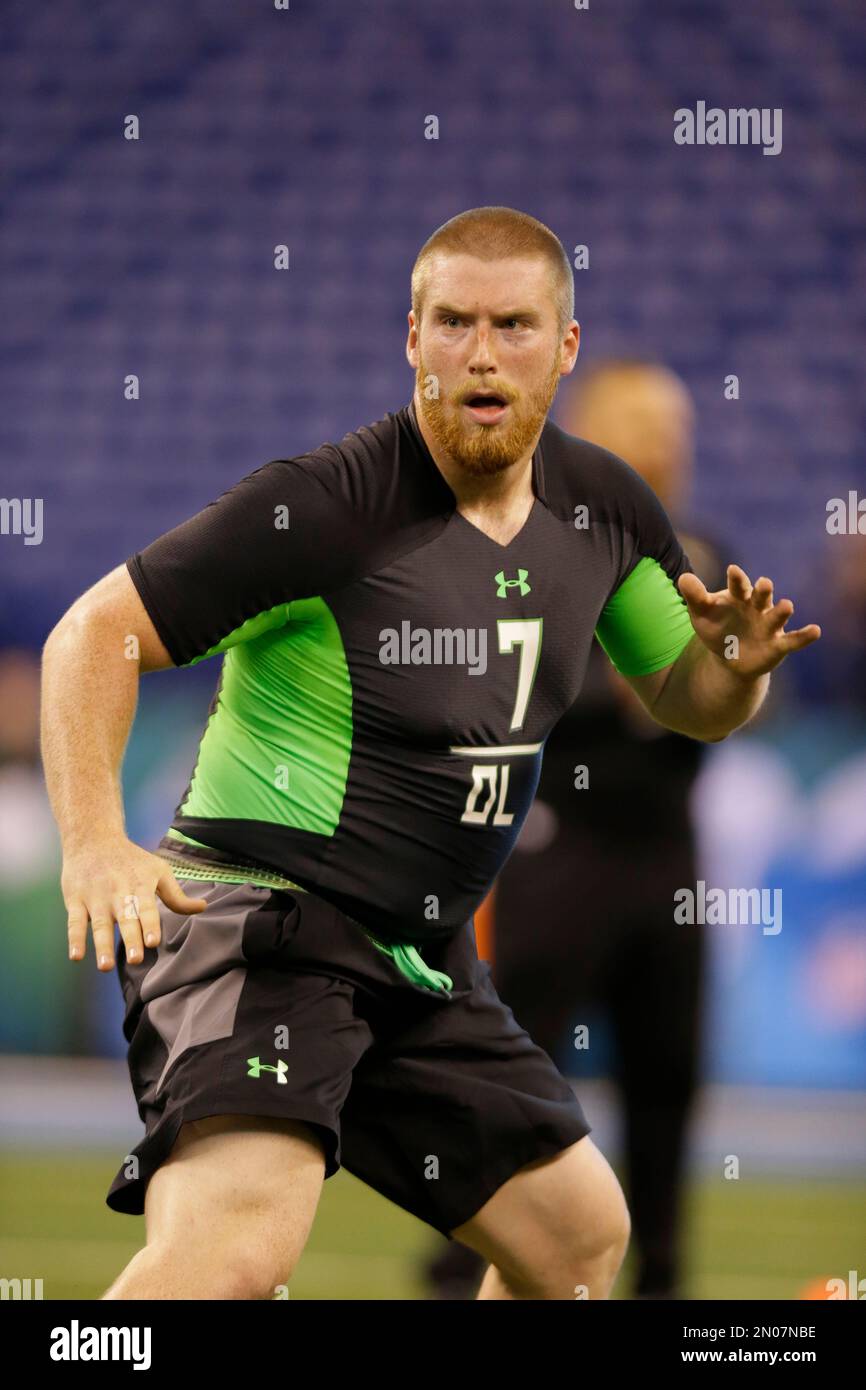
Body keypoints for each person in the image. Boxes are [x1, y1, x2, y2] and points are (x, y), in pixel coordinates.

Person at [40, 206, 820, 1301]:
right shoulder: (322, 506)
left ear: (565, 346)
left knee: (579, 1240)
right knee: (234, 1257)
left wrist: (734, 675)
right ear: (411, 338)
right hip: (257, 928)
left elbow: (681, 700)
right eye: (451, 322)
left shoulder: (603, 510)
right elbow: (94, 633)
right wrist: (89, 840)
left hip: (417, 959)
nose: (481, 353)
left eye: (512, 324)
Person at [425, 359, 726, 1300]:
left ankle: (665, 1278)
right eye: (647, 423)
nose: (668, 444)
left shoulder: (702, 553)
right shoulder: (546, 544)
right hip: (561, 847)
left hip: (667, 856)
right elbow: (529, 686)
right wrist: (653, 689)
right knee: (521, 1064)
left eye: (676, 426)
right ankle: (465, 1259)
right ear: (599, 429)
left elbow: (736, 694)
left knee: (668, 1076)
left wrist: (721, 680)